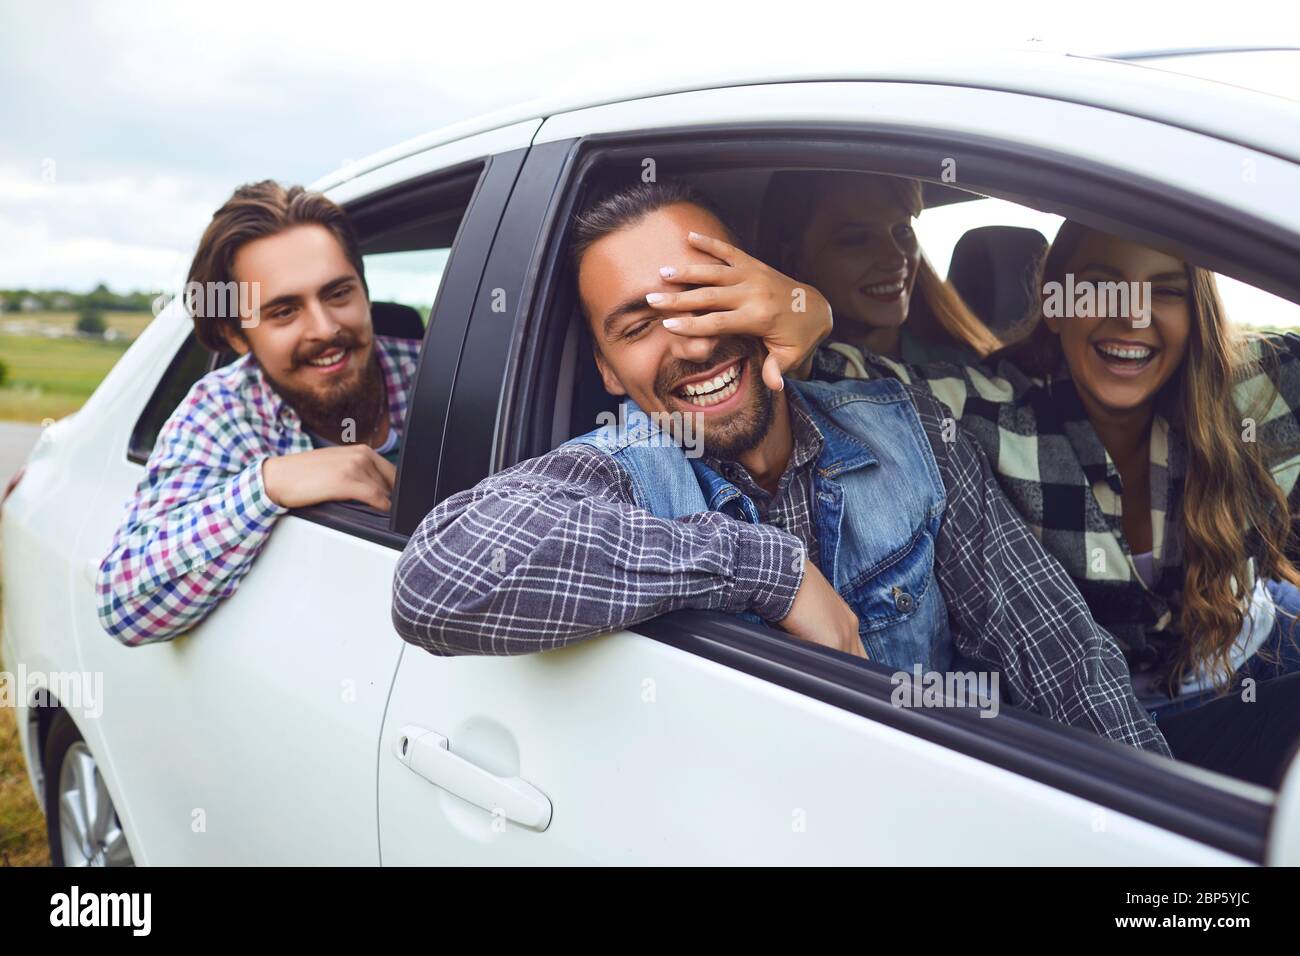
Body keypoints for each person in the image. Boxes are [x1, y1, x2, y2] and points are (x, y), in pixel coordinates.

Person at [391, 181, 1169, 757]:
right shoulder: (615, 475)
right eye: (640, 326)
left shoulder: (914, 433)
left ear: (761, 294)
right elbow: (438, 581)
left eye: (706, 297)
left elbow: (1063, 661)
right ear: (606, 367)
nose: (692, 343)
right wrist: (768, 570)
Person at [671, 217, 1300, 786]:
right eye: (1101, 287)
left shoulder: (1254, 388)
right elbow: (830, 388)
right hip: (1140, 725)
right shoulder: (989, 413)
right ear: (1055, 306)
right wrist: (811, 313)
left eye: (1165, 291)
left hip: (1266, 634)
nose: (1131, 315)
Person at [98, 181, 419, 646]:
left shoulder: (445, 371)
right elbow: (124, 605)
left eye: (338, 294)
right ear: (236, 335)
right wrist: (269, 484)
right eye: (285, 311)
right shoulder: (223, 412)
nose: (325, 329)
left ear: (364, 293)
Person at [756, 170, 999, 364]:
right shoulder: (780, 381)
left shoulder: (967, 368)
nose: (896, 258)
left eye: (902, 230)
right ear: (795, 259)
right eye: (856, 240)